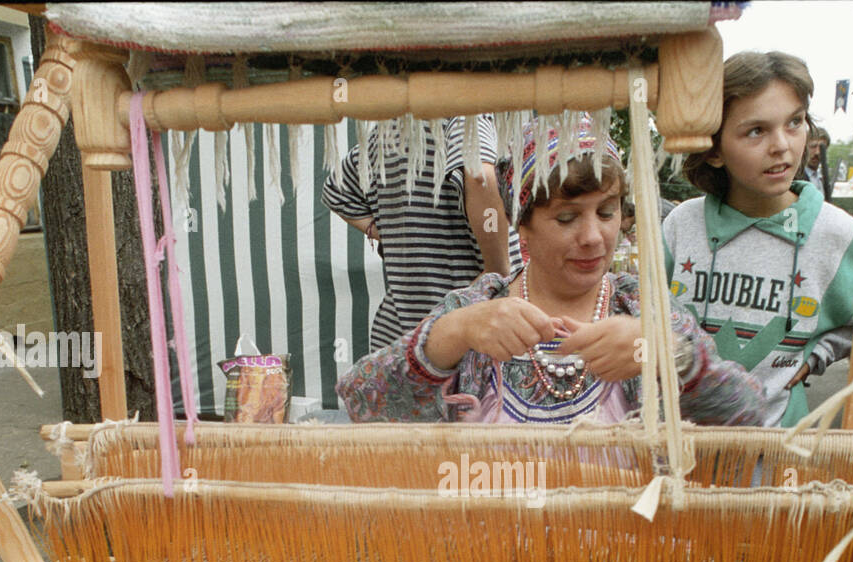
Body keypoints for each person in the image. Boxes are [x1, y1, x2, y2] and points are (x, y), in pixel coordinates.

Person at [336, 117, 767, 428]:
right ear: (522, 223)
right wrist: (453, 333)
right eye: (566, 218)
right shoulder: (479, 310)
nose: (594, 237)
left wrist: (668, 355)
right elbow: (362, 404)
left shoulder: (642, 311)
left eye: (607, 212)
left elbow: (748, 413)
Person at [662, 52, 853, 428]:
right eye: (756, 131)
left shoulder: (838, 233)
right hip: (682, 452)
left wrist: (819, 353)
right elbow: (645, 318)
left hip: (779, 458)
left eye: (795, 122)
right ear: (715, 150)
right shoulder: (680, 226)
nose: (782, 146)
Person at [322, 115, 520, 353]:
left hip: (400, 336)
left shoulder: (387, 130)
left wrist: (391, 234)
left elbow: (337, 191)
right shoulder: (466, 111)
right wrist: (497, 268)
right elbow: (480, 175)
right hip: (464, 332)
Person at [803, 126, 832, 200]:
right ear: (804, 148)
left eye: (822, 148)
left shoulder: (822, 179)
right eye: (813, 146)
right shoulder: (795, 177)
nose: (817, 152)